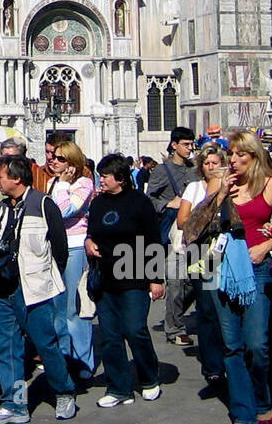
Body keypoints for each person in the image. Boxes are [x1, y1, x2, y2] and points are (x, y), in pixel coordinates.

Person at [0, 154, 76, 424]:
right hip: (4, 285)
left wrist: (47, 279)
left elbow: (60, 248)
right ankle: (16, 403)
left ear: (17, 178)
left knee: (45, 342)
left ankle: (64, 391)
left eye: (0, 176)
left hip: (34, 287)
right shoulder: (2, 207)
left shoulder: (43, 204)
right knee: (7, 346)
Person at [210, 130, 272, 424]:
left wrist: (267, 247)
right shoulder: (224, 186)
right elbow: (203, 222)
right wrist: (219, 195)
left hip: (257, 269)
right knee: (232, 345)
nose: (233, 160)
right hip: (222, 267)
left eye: (239, 154)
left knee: (257, 343)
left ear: (254, 155)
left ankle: (262, 402)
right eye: (230, 154)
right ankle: (242, 412)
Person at [85, 153, 164, 407]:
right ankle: (118, 387)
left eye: (105, 176)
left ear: (120, 177)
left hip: (134, 274)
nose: (101, 180)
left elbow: (153, 240)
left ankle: (149, 377)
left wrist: (156, 278)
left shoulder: (140, 202)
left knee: (134, 328)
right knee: (109, 335)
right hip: (105, 275)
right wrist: (88, 242)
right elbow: (91, 231)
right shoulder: (98, 203)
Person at [175, 145, 229, 385]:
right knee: (206, 308)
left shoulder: (233, 189)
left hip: (226, 250)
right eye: (207, 163)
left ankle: (231, 355)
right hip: (200, 251)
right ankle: (213, 365)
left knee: (227, 306)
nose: (210, 167)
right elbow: (182, 221)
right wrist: (206, 214)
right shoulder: (194, 188)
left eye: (215, 163)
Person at [48, 139, 96, 383]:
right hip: (55, 248)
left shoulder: (84, 184)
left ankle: (84, 359)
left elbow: (65, 211)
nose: (54, 161)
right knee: (58, 308)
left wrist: (63, 186)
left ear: (72, 164)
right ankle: (64, 356)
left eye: (60, 158)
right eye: (53, 157)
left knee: (74, 307)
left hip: (75, 248)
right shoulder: (52, 183)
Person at [149, 127, 197, 343]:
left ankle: (175, 313)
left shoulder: (195, 169)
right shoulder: (162, 170)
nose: (190, 148)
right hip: (173, 233)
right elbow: (149, 199)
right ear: (174, 145)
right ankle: (175, 328)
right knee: (176, 281)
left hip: (195, 230)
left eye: (191, 144)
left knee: (201, 279)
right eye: (186, 144)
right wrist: (168, 203)